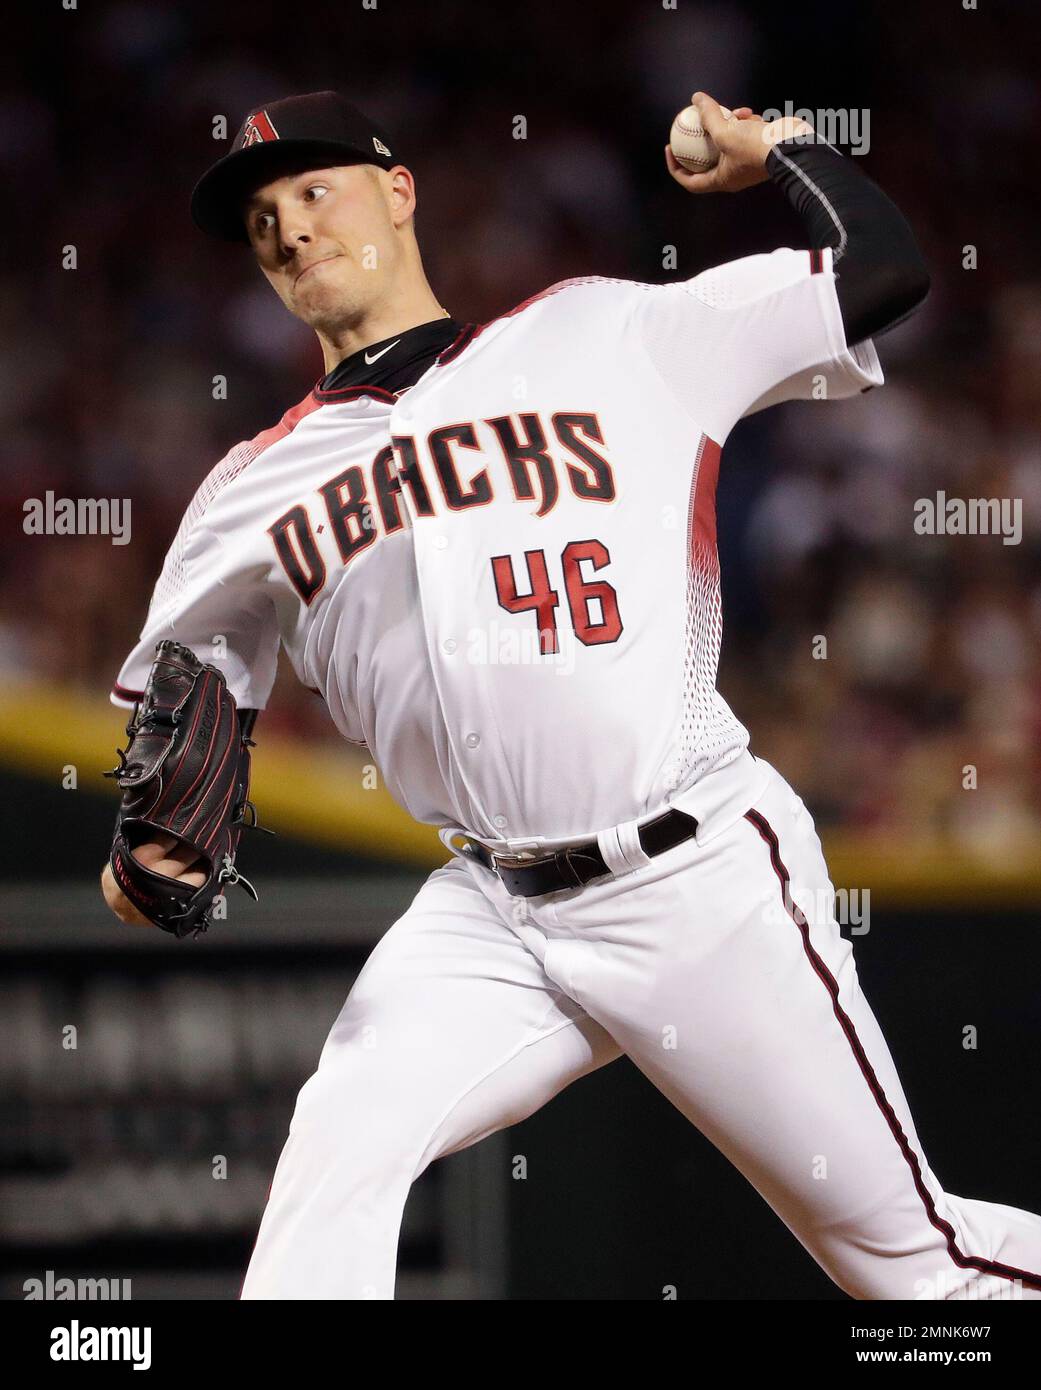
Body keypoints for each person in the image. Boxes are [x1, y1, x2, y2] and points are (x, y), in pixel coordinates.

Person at [101, 89, 1041, 1300]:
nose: (289, 229)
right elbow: (189, 704)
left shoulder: (609, 332)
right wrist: (149, 844)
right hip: (495, 906)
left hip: (693, 872)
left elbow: (887, 274)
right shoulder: (251, 490)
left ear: (399, 190)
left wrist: (783, 148)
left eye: (314, 189)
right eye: (263, 217)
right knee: (338, 1143)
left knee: (913, 1266)